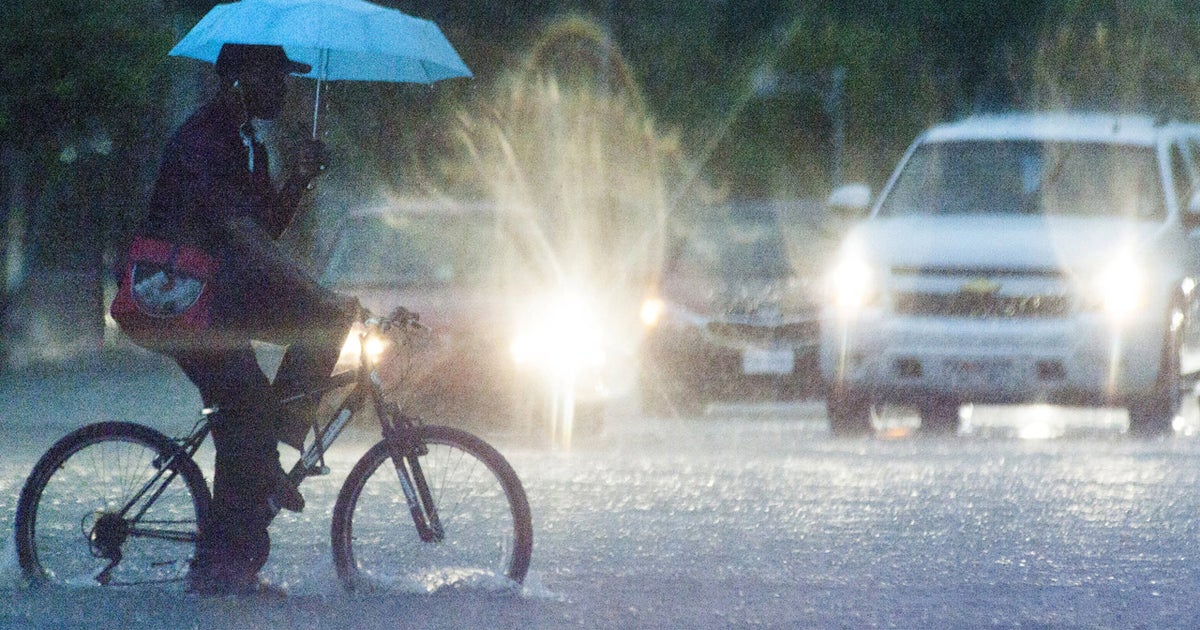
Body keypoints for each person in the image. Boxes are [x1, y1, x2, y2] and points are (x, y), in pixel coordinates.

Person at [135, 43, 358, 597]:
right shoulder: (202, 140)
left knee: (325, 323)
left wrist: (299, 180)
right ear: (236, 79)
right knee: (249, 402)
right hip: (177, 299)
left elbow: (266, 227)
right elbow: (242, 235)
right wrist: (312, 287)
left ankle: (267, 458)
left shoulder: (246, 143)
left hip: (218, 298)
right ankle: (222, 560)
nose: (283, 88)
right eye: (273, 77)